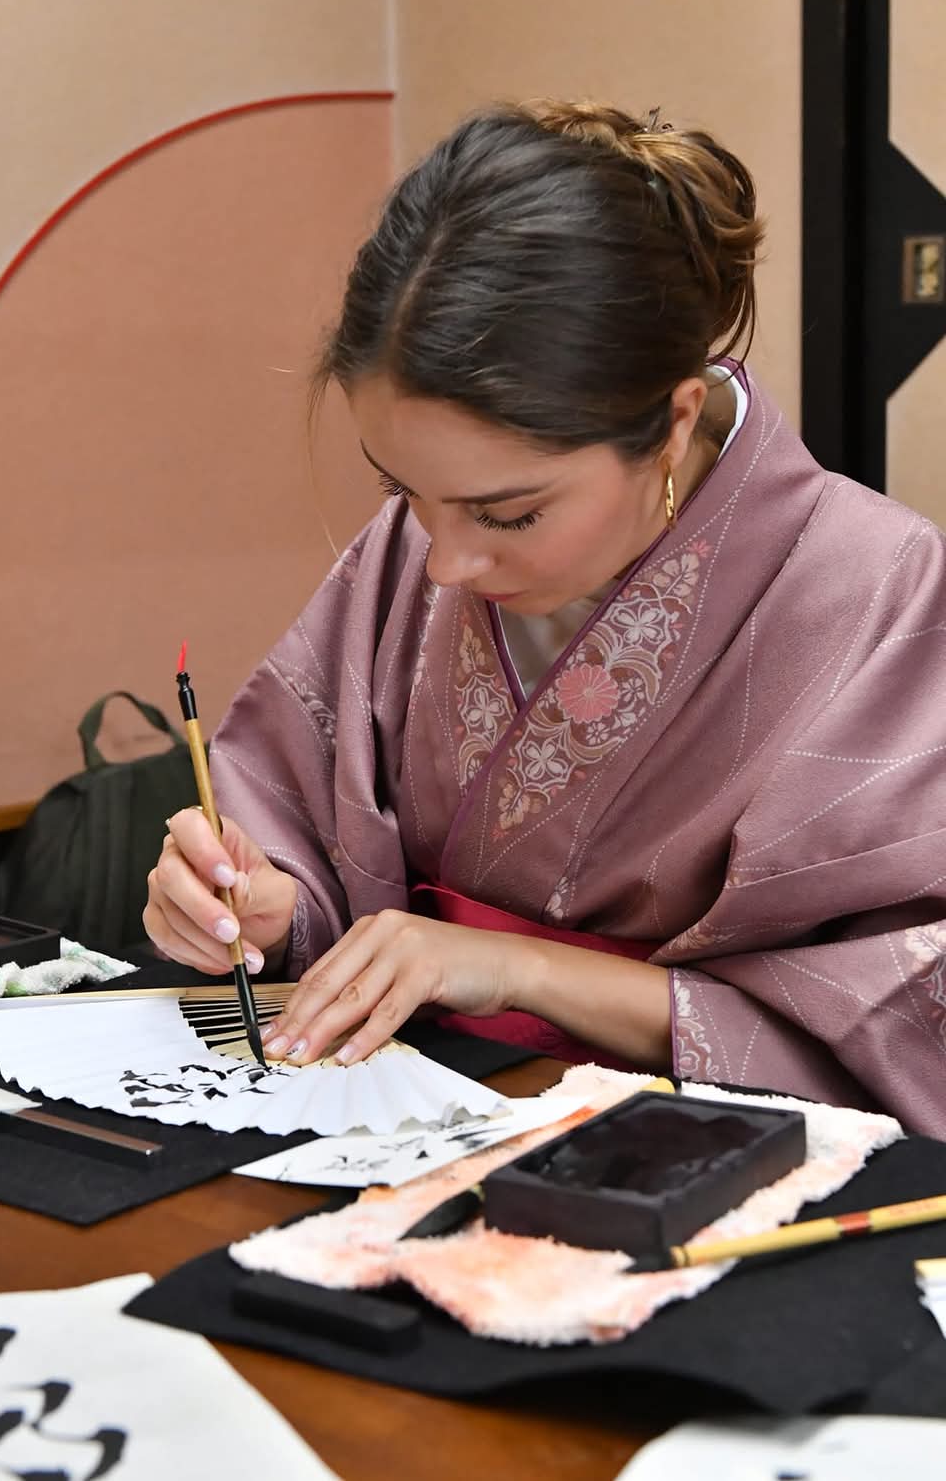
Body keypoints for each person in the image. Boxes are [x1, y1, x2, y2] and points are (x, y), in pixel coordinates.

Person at [144, 99, 946, 1137]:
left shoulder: (878, 586)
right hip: (405, 1112)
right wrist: (266, 905)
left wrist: (521, 968)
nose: (446, 561)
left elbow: (904, 1006)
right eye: (404, 492)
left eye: (508, 512)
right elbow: (311, 841)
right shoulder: (423, 548)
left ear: (673, 421)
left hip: (700, 1154)